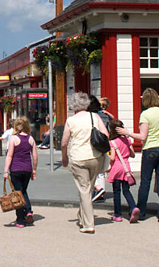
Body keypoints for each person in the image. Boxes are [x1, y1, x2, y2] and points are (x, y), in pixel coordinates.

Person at [61, 92, 109, 234]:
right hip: (95, 156)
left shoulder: (71, 120)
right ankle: (82, 217)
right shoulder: (94, 117)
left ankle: (88, 224)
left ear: (74, 105)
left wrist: (64, 157)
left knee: (84, 189)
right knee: (88, 189)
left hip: (78, 158)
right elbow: (105, 134)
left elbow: (64, 142)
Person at [126, 88, 159, 224]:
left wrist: (128, 133)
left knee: (145, 181)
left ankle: (141, 212)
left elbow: (142, 136)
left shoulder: (145, 115)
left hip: (150, 149)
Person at [4, 116, 38, 228]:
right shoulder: (31, 139)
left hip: (16, 168)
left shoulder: (13, 139)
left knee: (17, 194)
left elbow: (9, 155)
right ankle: (28, 211)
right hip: (27, 168)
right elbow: (35, 156)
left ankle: (20, 219)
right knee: (23, 191)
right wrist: (34, 170)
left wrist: (5, 171)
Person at [106, 118, 137, 223]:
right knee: (126, 190)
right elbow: (132, 155)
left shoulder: (113, 142)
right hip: (126, 167)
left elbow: (113, 158)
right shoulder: (128, 140)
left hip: (117, 168)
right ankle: (133, 207)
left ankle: (117, 215)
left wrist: (106, 155)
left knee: (116, 192)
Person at [90, 96, 111, 202]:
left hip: (95, 144)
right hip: (105, 144)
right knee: (101, 171)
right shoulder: (108, 117)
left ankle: (97, 189)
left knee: (92, 171)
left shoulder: (94, 116)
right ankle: (101, 191)